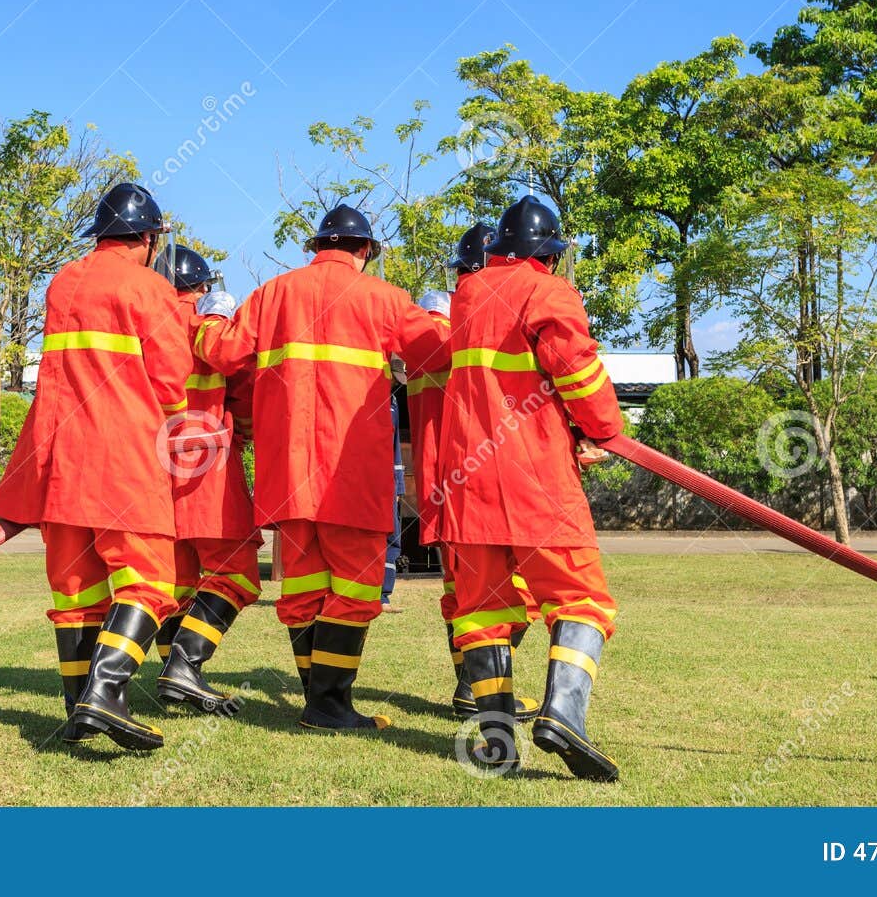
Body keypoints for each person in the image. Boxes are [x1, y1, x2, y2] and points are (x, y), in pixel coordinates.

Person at [193, 205, 448, 732]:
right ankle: (328, 704)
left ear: (316, 247)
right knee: (355, 587)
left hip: (287, 471)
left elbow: (218, 354)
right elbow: (436, 353)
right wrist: (441, 314)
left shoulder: (271, 294)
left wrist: (213, 314)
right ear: (366, 252)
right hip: (350, 471)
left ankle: (317, 698)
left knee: (305, 585)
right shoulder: (383, 298)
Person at [0, 182, 191, 753]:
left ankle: (80, 712)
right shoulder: (150, 288)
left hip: (57, 458)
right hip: (122, 454)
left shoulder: (64, 282)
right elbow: (172, 382)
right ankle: (107, 691)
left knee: (77, 591)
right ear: (148, 239)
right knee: (149, 581)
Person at [439, 195, 624, 781]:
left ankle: (496, 741)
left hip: (466, 486)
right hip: (536, 479)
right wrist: (603, 430)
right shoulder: (548, 291)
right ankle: (564, 713)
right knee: (582, 600)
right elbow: (575, 367)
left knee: (481, 613)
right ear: (548, 254)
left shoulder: (468, 296)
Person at [409, 223, 539, 723]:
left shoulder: (440, 318)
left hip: (447, 473)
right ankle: (473, 687)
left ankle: (472, 687)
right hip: (479, 473)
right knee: (516, 588)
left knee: (464, 590)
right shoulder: (457, 316)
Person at [153, 245, 260, 715]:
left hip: (152, 465)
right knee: (234, 574)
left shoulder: (143, 324)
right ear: (200, 288)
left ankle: (172, 674)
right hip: (208, 463)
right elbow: (244, 387)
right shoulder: (205, 324)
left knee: (174, 580)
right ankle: (184, 667)